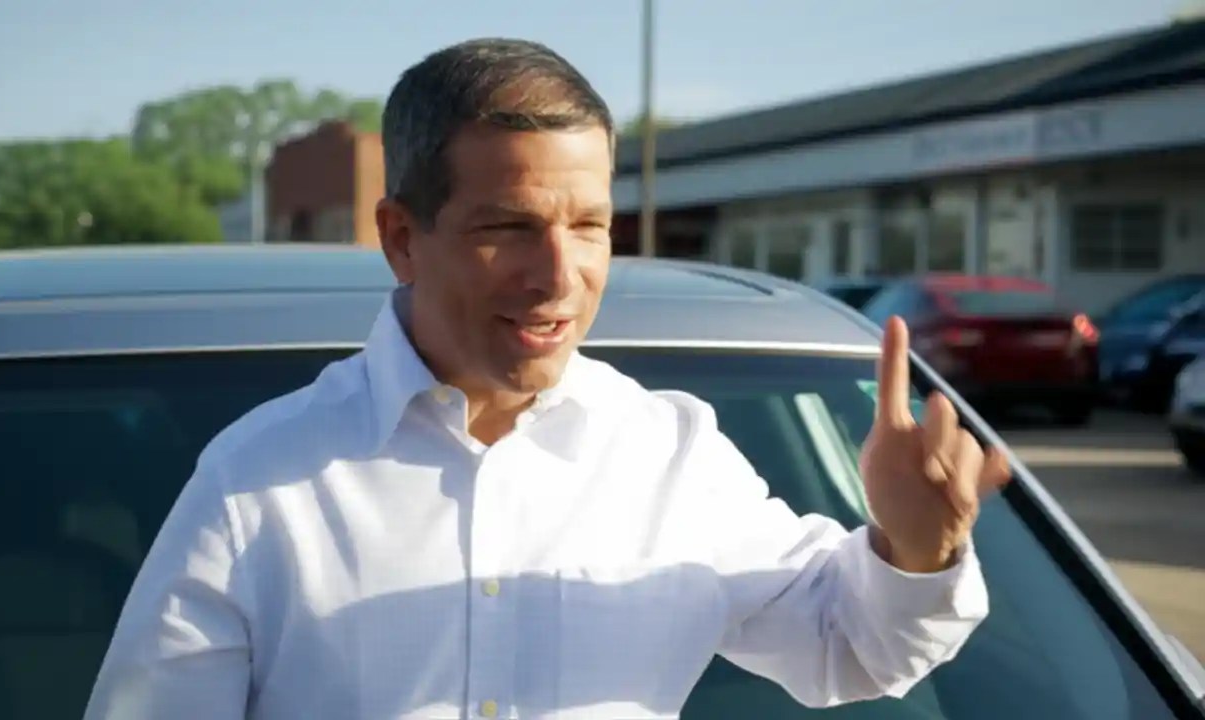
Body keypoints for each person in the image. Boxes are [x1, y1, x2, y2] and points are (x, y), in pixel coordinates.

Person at [84, 37, 1010, 720]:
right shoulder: (257, 483)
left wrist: (913, 551)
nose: (560, 274)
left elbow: (848, 645)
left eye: (591, 227)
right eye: (509, 228)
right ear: (402, 237)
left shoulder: (669, 454)